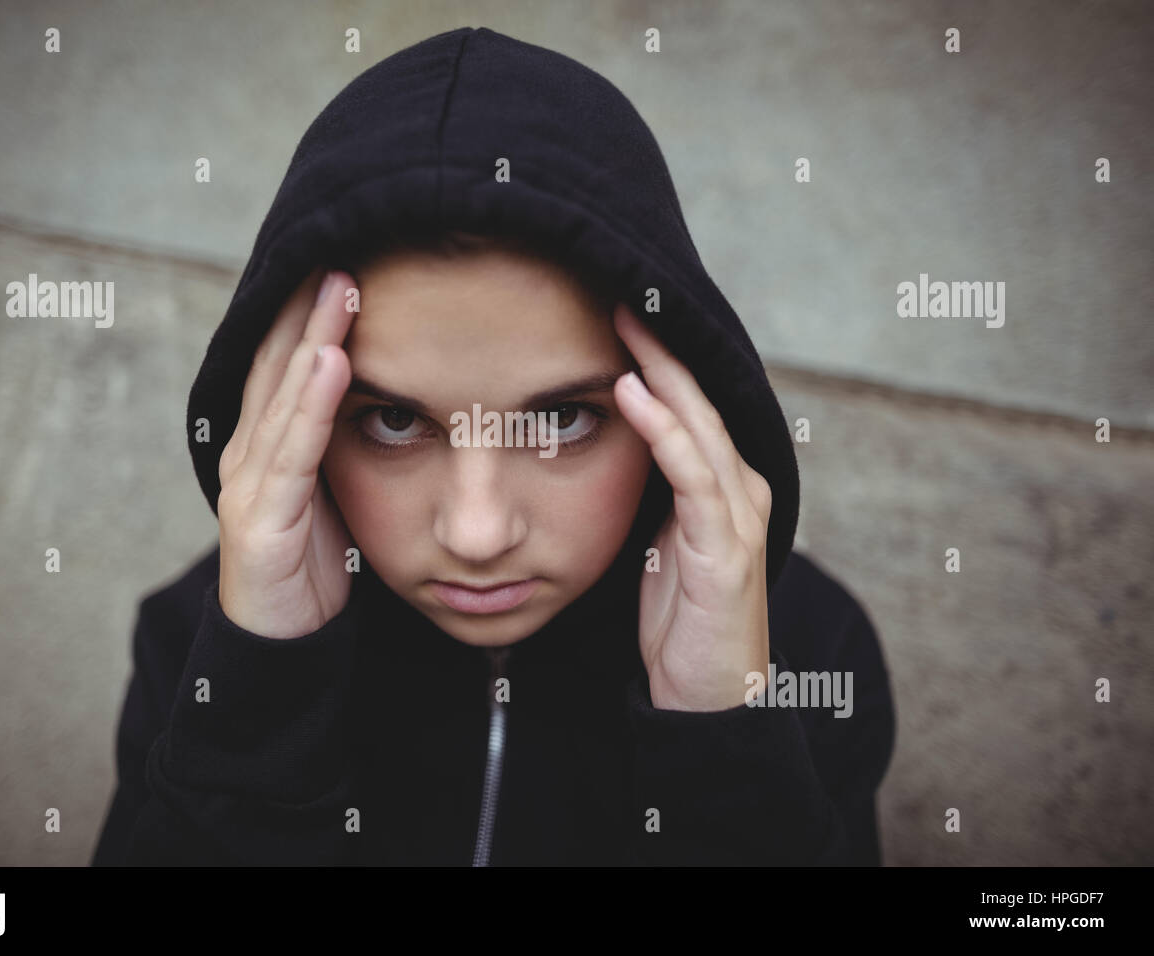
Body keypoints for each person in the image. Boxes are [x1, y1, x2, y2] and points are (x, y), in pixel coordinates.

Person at [91, 26, 895, 866]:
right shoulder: (198, 647)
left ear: (680, 410)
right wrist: (259, 705)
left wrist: (723, 741)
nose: (477, 535)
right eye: (393, 421)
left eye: (559, 421)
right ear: (296, 422)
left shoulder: (805, 654)